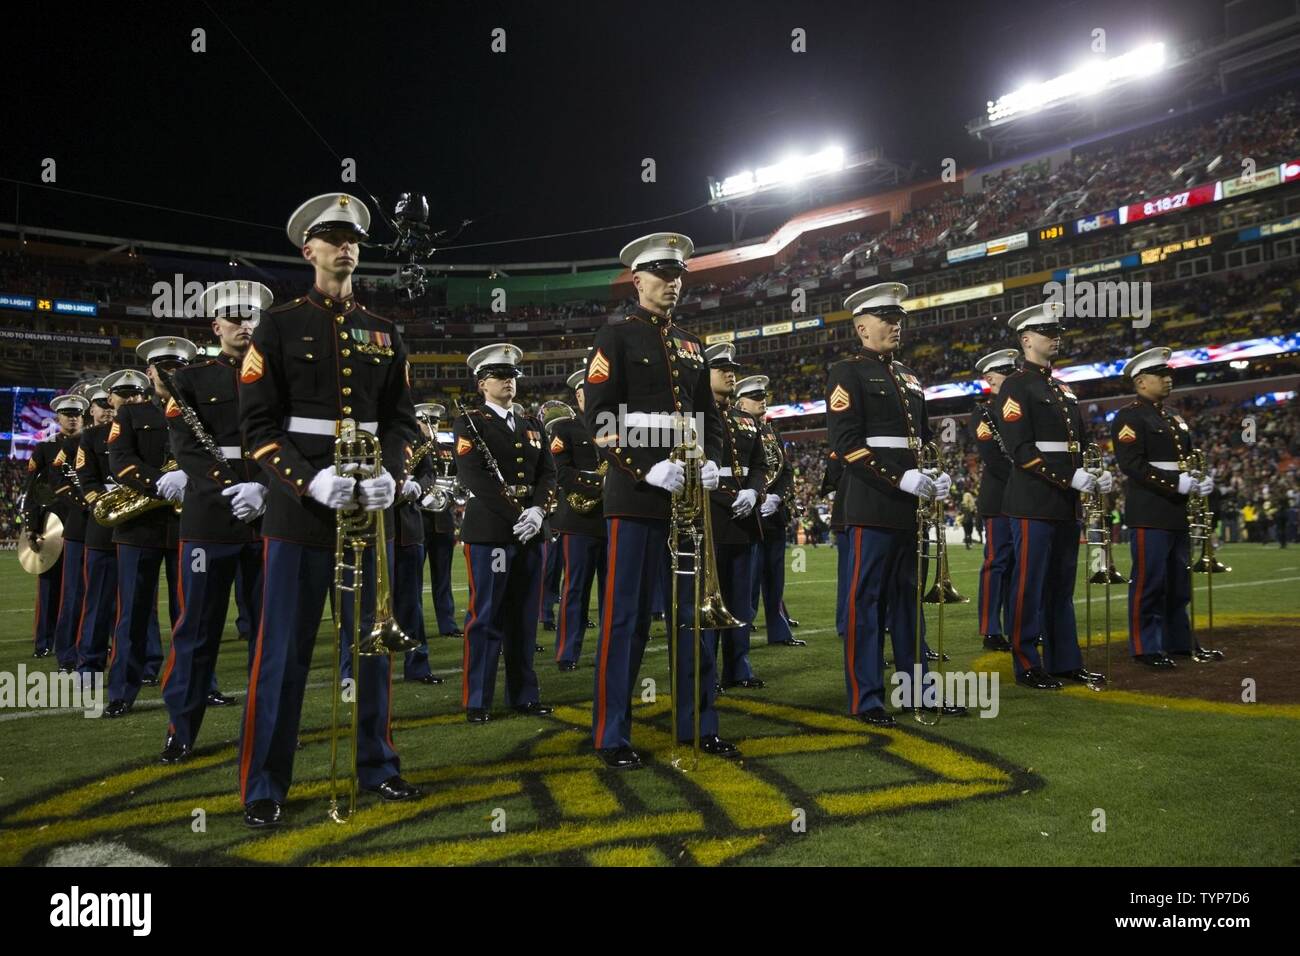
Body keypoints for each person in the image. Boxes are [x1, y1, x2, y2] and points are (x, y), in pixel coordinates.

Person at [238, 192, 420, 828]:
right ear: (307, 249)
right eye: (332, 236)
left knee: (373, 645)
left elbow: (402, 422)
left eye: (354, 238)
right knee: (283, 652)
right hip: (299, 516)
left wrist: (392, 478)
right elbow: (258, 428)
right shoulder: (279, 326)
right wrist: (308, 483)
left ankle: (378, 763)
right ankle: (265, 783)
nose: (345, 246)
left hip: (369, 511)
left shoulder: (385, 332)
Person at [583, 231, 736, 769]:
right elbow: (600, 421)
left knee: (692, 615)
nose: (672, 284)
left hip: (688, 497)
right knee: (625, 618)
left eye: (678, 276)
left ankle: (700, 723)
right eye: (661, 275)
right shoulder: (615, 336)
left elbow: (708, 418)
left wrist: (713, 458)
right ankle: (611, 734)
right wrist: (649, 470)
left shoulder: (692, 344)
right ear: (638, 279)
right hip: (634, 497)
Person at [826, 283, 961, 724]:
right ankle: (866, 699)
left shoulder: (909, 378)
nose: (895, 325)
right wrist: (902, 477)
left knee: (908, 605)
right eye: (886, 318)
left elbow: (921, 441)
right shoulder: (846, 372)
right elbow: (847, 444)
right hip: (869, 503)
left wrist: (934, 475)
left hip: (907, 508)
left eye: (898, 318)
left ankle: (918, 692)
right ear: (862, 327)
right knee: (864, 605)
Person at [158, 283, 272, 762]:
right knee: (198, 630)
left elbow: (287, 440)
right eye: (234, 318)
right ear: (216, 326)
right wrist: (230, 491)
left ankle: (268, 727)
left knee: (268, 634)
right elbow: (186, 449)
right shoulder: (191, 380)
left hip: (269, 517)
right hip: (209, 520)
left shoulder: (278, 377)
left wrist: (265, 487)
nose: (243, 325)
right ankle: (181, 730)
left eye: (251, 318)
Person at [996, 302, 1111, 689]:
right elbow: (1020, 449)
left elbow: (1080, 441)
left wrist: (1095, 470)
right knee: (1029, 584)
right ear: (1027, 340)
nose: (1055, 336)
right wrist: (1069, 477)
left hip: (1063, 500)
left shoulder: (1062, 389)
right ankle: (1027, 663)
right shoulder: (1015, 385)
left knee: (1061, 585)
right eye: (1047, 332)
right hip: (1033, 500)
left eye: (1057, 331)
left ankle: (1065, 660)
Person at [452, 344, 557, 721]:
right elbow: (473, 476)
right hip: (492, 530)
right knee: (485, 618)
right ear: (482, 383)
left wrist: (538, 510)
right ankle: (477, 700)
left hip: (530, 529)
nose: (509, 382)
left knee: (524, 617)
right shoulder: (470, 422)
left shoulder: (531, 423)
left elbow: (548, 472)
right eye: (500, 376)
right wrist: (520, 514)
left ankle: (524, 695)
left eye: (512, 375)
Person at [103, 338, 198, 718]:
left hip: (186, 525)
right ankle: (122, 692)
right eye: (163, 368)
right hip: (138, 526)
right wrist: (157, 483)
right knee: (132, 615)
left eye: (177, 368)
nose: (169, 374)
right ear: (150, 373)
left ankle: (197, 684)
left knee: (190, 613)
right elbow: (119, 460)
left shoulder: (197, 410)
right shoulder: (129, 414)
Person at [1111, 347, 1222, 667]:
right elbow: (1131, 464)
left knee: (1178, 581)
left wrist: (1198, 479)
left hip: (1174, 510)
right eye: (1161, 375)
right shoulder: (1129, 416)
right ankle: (1145, 646)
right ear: (1142, 381)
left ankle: (1178, 641)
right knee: (1150, 580)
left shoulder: (1172, 417)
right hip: (1151, 510)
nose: (1168, 379)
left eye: (1168, 373)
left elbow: (1183, 459)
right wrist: (1177, 484)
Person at [702, 344, 766, 689]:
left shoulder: (746, 420)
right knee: (710, 599)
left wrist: (754, 491)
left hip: (744, 518)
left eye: (732, 368)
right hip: (711, 516)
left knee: (741, 600)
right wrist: (734, 496)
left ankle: (739, 667)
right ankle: (707, 671)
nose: (730, 373)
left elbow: (759, 464)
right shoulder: (695, 415)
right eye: (721, 368)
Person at [735, 375, 804, 647]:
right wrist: (755, 495)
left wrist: (776, 497)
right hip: (749, 515)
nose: (761, 401)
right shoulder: (736, 429)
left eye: (763, 396)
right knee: (748, 580)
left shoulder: (773, 431)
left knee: (775, 579)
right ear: (741, 402)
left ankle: (780, 631)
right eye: (755, 398)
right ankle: (742, 630)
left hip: (773, 515)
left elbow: (786, 472)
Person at [548, 369, 607, 671]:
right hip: (579, 520)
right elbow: (562, 474)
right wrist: (602, 485)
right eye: (584, 391)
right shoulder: (565, 429)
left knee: (612, 590)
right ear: (578, 395)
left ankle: (610, 651)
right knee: (575, 589)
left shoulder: (618, 425)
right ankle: (567, 653)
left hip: (612, 518)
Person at [21, 397, 83, 660]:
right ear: (57, 418)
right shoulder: (44, 449)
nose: (72, 418)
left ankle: (80, 639)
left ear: (83, 417)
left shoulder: (90, 444)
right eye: (67, 414)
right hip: (51, 526)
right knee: (49, 585)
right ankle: (44, 642)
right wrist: (32, 527)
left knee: (82, 585)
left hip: (82, 522)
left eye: (76, 414)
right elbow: (32, 491)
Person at [399, 403, 453, 683]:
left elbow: (429, 471)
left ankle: (418, 664)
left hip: (409, 523)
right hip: (374, 522)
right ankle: (364, 671)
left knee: (412, 601)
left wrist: (418, 485)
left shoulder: (417, 435)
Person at [970, 349, 1019, 652]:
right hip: (1000, 497)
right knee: (997, 563)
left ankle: (1018, 626)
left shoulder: (1019, 407)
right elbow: (993, 457)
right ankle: (990, 628)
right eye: (1005, 374)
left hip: (1024, 497)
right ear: (989, 379)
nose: (1013, 379)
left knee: (1019, 566)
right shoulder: (984, 412)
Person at [75, 382, 121, 680]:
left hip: (138, 528)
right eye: (101, 405)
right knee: (98, 601)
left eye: (109, 404)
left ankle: (144, 664)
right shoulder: (90, 437)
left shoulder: (138, 431)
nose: (107, 410)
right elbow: (86, 478)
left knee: (140, 603)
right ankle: (90, 664)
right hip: (103, 526)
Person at [417, 404, 462, 642]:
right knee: (412, 580)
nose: (431, 426)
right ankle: (413, 626)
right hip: (418, 521)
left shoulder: (446, 449)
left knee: (443, 577)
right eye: (426, 421)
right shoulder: (409, 448)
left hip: (442, 519)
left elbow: (457, 477)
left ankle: (447, 623)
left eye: (434, 422)